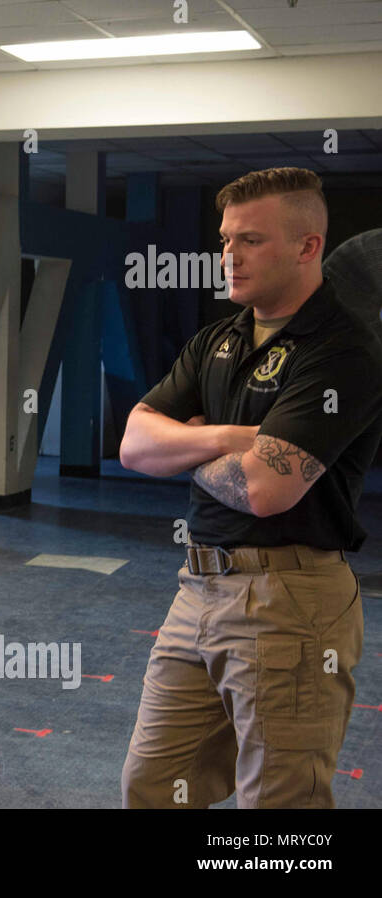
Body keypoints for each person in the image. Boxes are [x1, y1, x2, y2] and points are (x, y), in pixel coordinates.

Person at [119, 167, 382, 808]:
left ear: (307, 246)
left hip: (288, 600)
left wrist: (187, 443)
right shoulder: (219, 338)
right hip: (196, 589)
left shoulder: (342, 350)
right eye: (225, 239)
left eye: (252, 240)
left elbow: (266, 490)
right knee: (152, 786)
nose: (229, 255)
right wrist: (228, 438)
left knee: (277, 807)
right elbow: (133, 444)